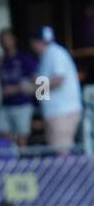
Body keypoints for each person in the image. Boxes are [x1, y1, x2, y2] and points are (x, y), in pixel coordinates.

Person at [30, 25, 83, 154]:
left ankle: (70, 174)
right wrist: (34, 86)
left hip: (64, 111)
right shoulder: (44, 57)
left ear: (39, 42)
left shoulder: (56, 53)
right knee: (56, 150)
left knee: (62, 152)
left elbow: (59, 80)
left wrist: (34, 86)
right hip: (52, 112)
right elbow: (42, 90)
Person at [0, 28, 37, 146]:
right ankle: (10, 159)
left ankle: (22, 161)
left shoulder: (24, 58)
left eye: (7, 39)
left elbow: (38, 80)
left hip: (22, 103)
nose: (5, 43)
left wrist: (17, 89)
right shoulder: (1, 60)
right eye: (2, 40)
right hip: (6, 104)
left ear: (14, 40)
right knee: (2, 131)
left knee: (22, 137)